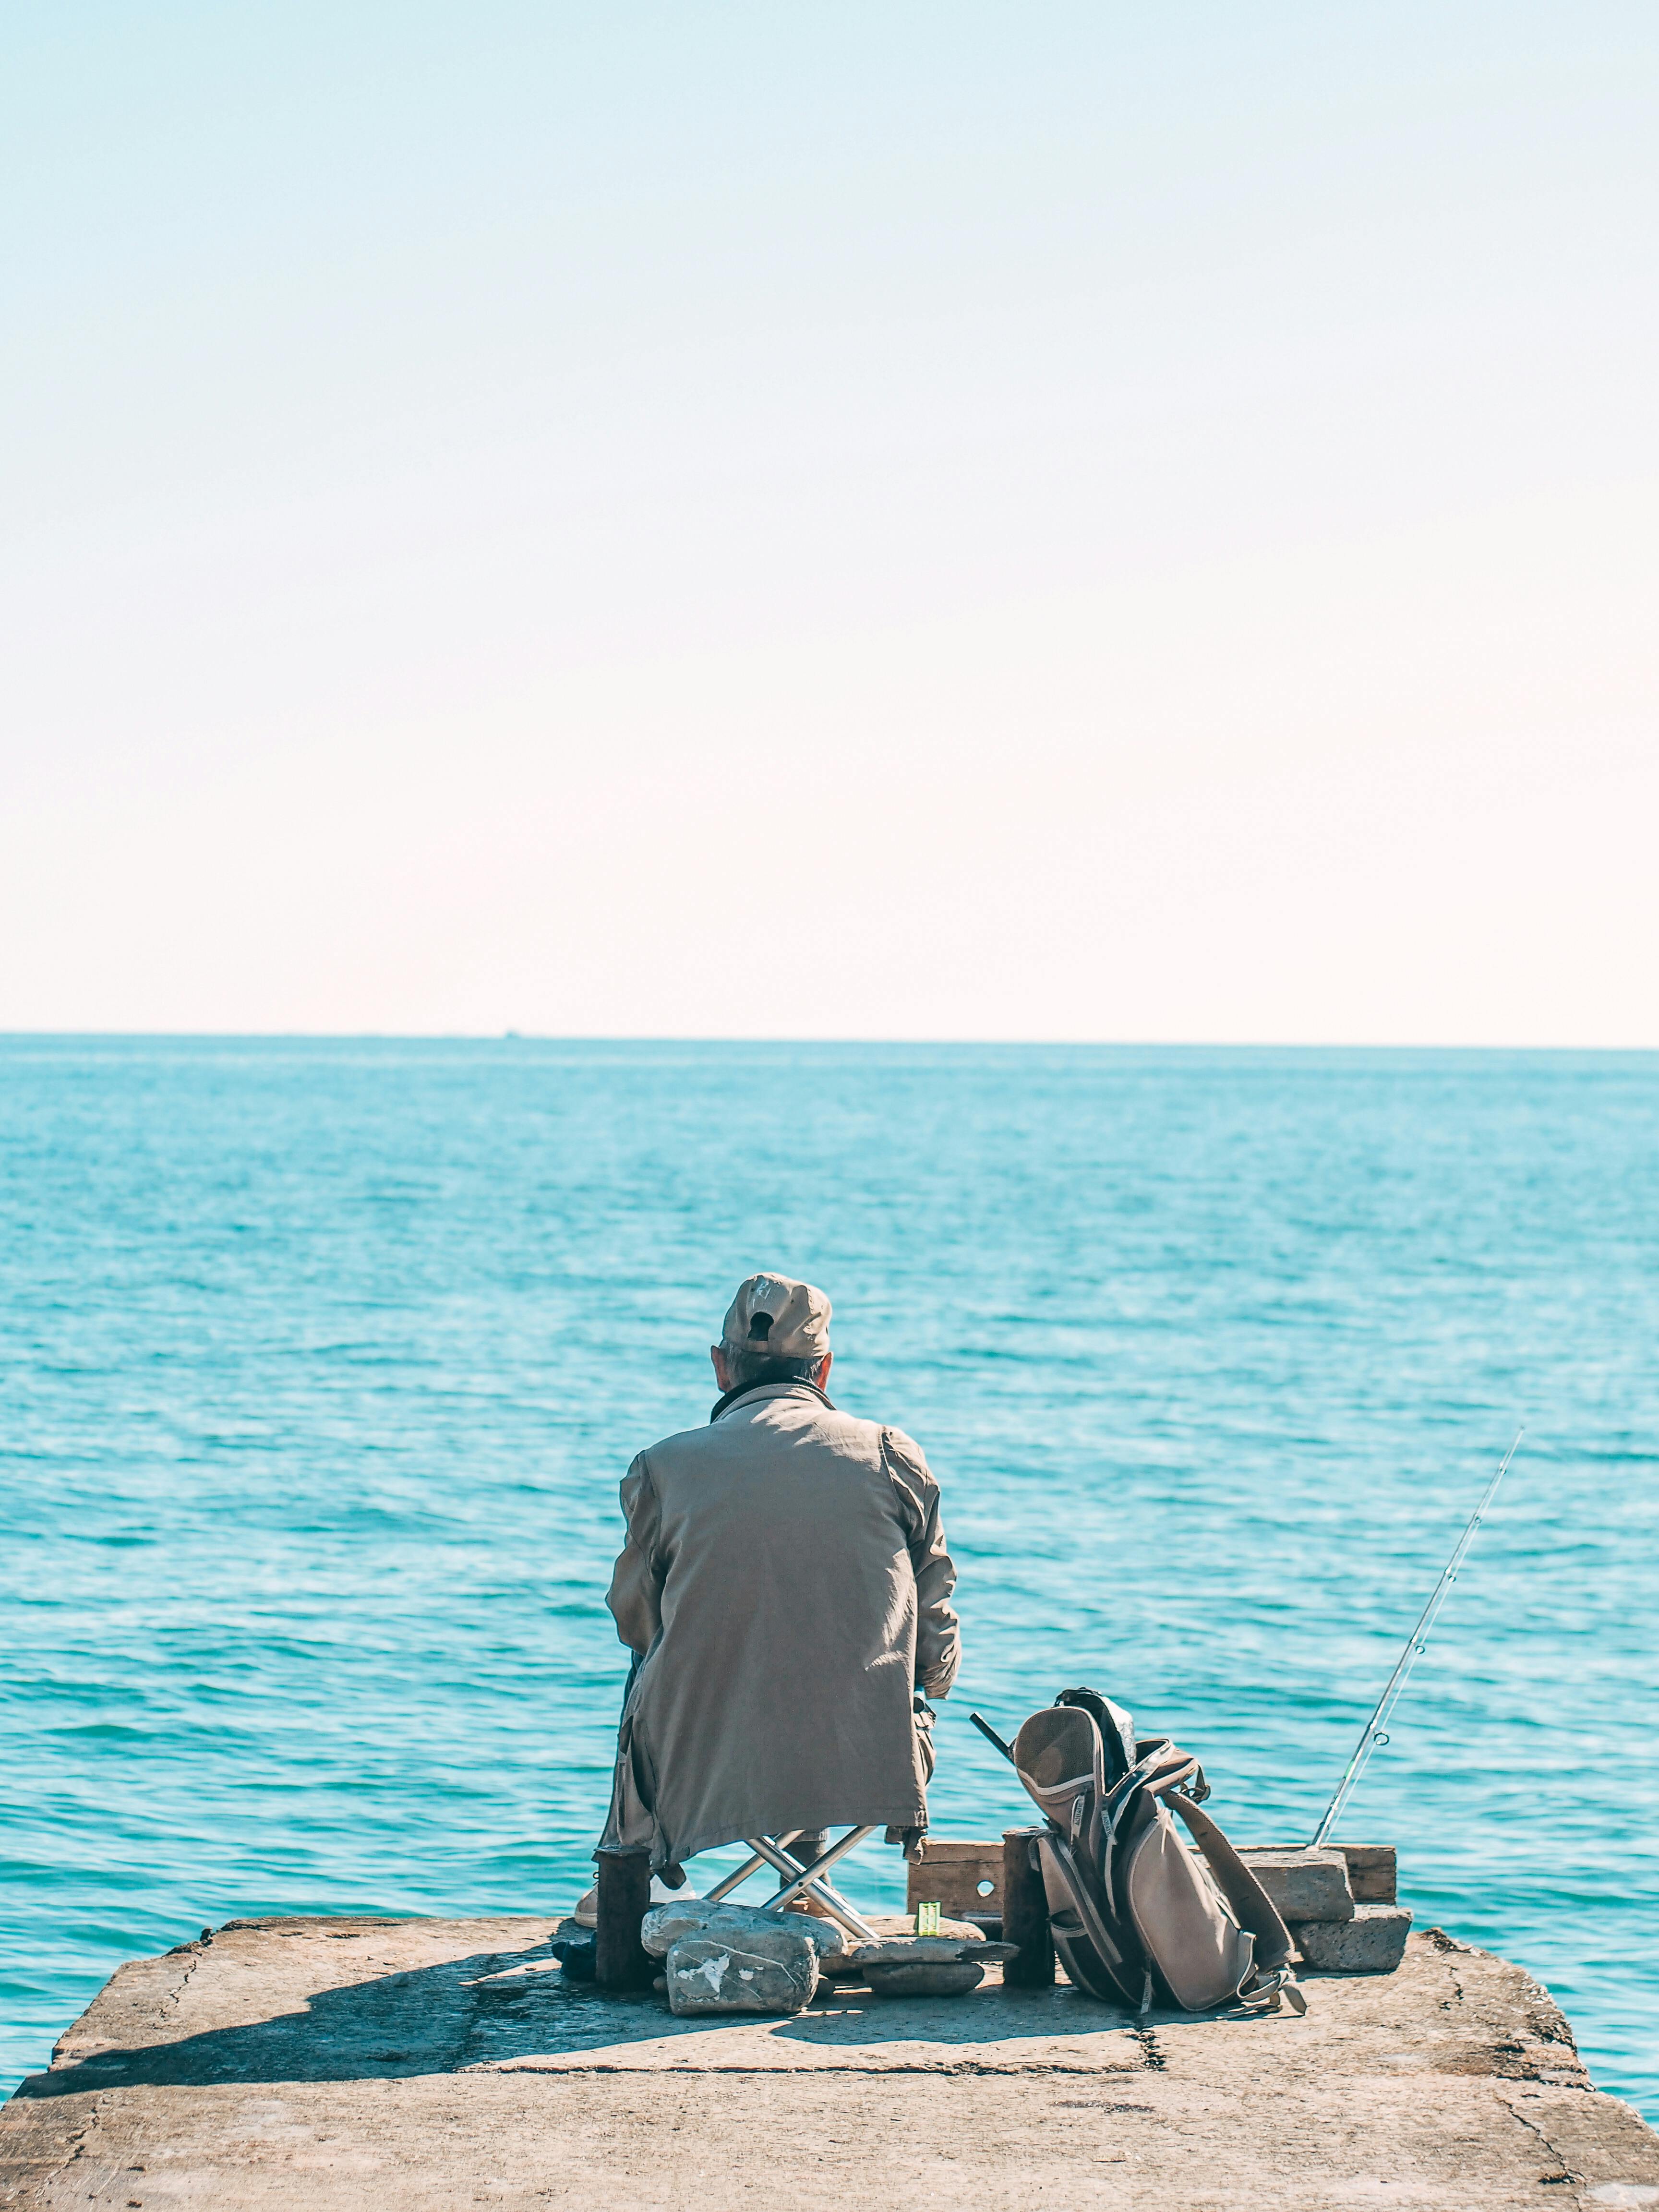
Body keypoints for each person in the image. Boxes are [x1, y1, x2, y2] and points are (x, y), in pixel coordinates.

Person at [597, 1272, 960, 1882]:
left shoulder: (664, 1467)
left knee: (650, 1666)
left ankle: (628, 1878)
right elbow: (936, 1631)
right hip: (869, 1756)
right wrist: (928, 1679)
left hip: (704, 1758)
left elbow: (635, 1623)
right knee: (835, 1667)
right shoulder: (892, 1455)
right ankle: (806, 1888)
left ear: (720, 1367)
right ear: (824, 1371)